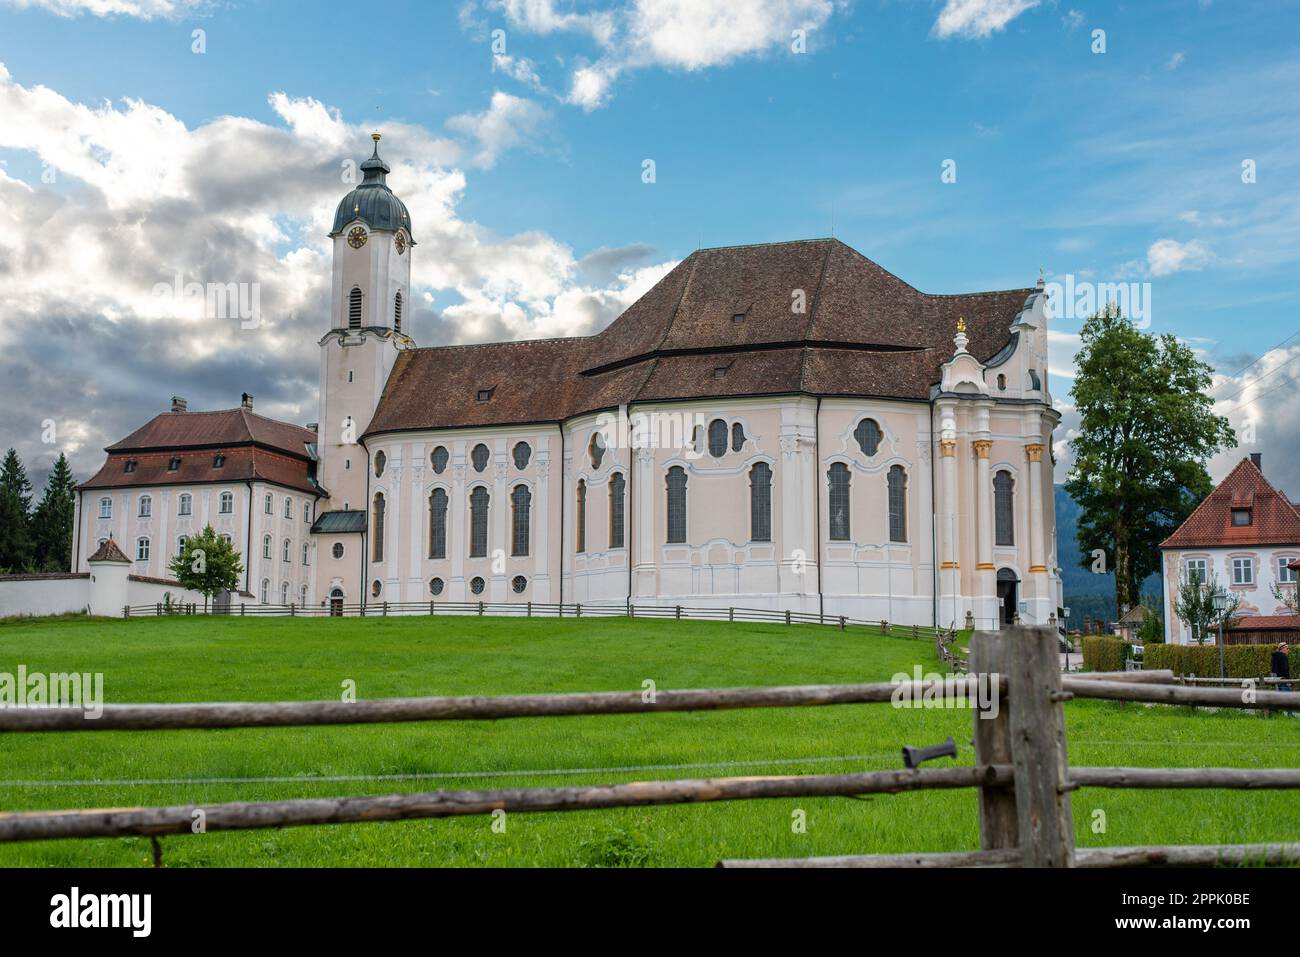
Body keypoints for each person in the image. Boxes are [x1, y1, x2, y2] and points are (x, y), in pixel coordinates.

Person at [1272, 641, 1293, 716]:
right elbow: (1285, 670)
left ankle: (1277, 714)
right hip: (1283, 680)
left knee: (1278, 699)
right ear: (1282, 648)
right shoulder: (1283, 657)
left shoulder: (1275, 657)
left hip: (1276, 680)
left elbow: (1274, 670)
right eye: (1287, 648)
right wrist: (1288, 681)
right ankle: (1289, 714)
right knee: (1288, 698)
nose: (1288, 650)